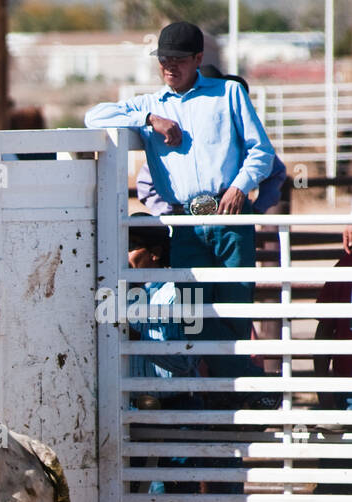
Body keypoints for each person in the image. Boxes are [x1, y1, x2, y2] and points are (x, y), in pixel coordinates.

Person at [85, 22, 276, 401]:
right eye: (164, 60)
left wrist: (240, 186)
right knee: (194, 319)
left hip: (227, 214)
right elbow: (94, 116)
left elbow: (261, 151)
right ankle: (248, 389)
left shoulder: (229, 93)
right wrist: (148, 120)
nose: (169, 67)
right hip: (185, 222)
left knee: (232, 313)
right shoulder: (150, 105)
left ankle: (229, 407)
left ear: (198, 59)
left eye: (178, 60)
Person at [135, 67, 288, 217]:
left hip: (226, 216)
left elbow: (274, 169)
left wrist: (255, 207)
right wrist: (174, 214)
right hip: (203, 218)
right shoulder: (182, 141)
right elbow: (146, 182)